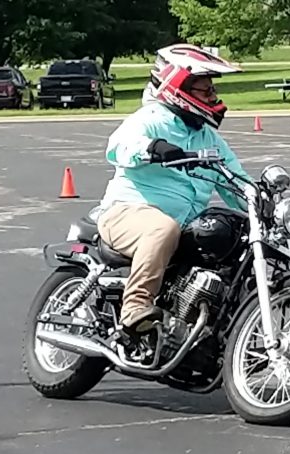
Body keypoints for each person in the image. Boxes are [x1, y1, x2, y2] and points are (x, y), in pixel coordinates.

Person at [98, 48, 252, 336]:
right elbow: (118, 145)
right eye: (204, 89)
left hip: (181, 227)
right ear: (180, 87)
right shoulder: (152, 119)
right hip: (126, 213)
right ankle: (134, 308)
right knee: (162, 227)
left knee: (234, 241)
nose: (212, 95)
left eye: (212, 88)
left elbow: (236, 179)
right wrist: (151, 148)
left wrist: (260, 199)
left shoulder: (210, 139)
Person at [141, 44, 239, 105]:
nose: (214, 98)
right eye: (207, 92)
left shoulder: (195, 128)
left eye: (213, 90)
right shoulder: (149, 127)